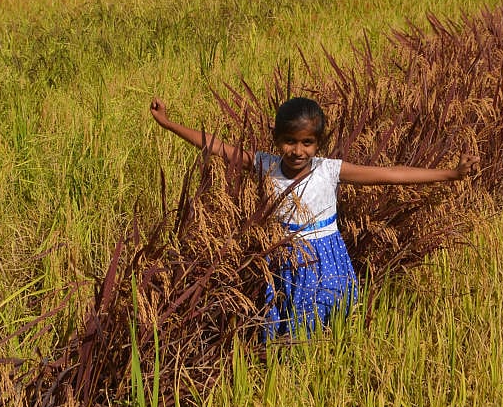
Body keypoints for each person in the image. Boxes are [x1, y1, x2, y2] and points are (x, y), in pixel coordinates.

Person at [149, 96, 471, 339]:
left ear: (319, 143)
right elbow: (217, 146)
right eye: (290, 141)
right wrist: (168, 123)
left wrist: (450, 174)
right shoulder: (266, 165)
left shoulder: (329, 170)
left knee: (333, 324)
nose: (298, 151)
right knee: (291, 328)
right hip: (286, 259)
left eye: (307, 142)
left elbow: (389, 175)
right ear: (276, 139)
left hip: (327, 259)